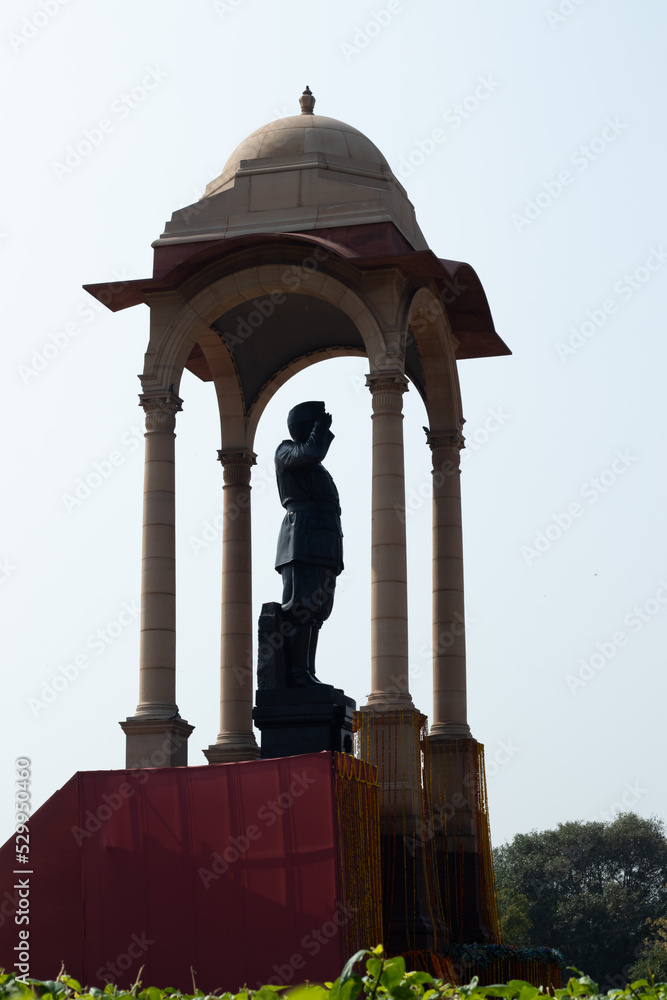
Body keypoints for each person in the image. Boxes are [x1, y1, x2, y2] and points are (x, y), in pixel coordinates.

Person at [274, 401, 343, 687]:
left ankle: (307, 671)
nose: (325, 426)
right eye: (318, 422)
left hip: (324, 542)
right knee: (300, 607)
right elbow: (312, 451)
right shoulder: (286, 451)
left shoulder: (315, 466)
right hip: (301, 540)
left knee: (317, 611)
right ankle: (296, 672)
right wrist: (320, 431)